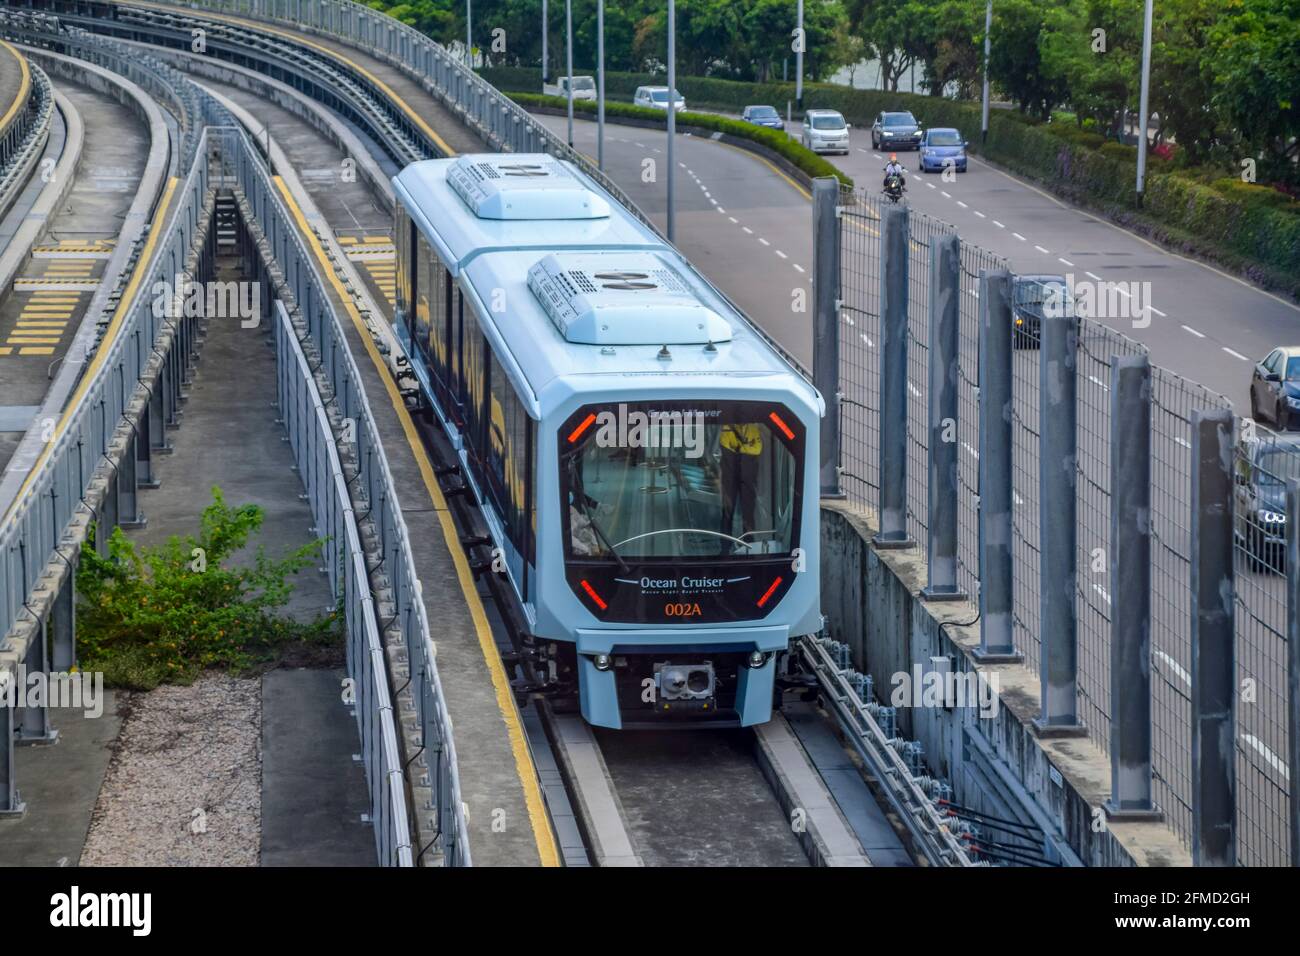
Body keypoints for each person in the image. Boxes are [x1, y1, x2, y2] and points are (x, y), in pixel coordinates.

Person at [720, 422, 763, 542]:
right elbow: (725, 447)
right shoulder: (727, 427)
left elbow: (757, 449)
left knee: (748, 513)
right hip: (732, 476)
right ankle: (725, 546)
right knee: (728, 512)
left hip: (746, 478)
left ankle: (748, 543)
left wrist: (737, 448)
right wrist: (745, 447)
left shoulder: (752, 428)